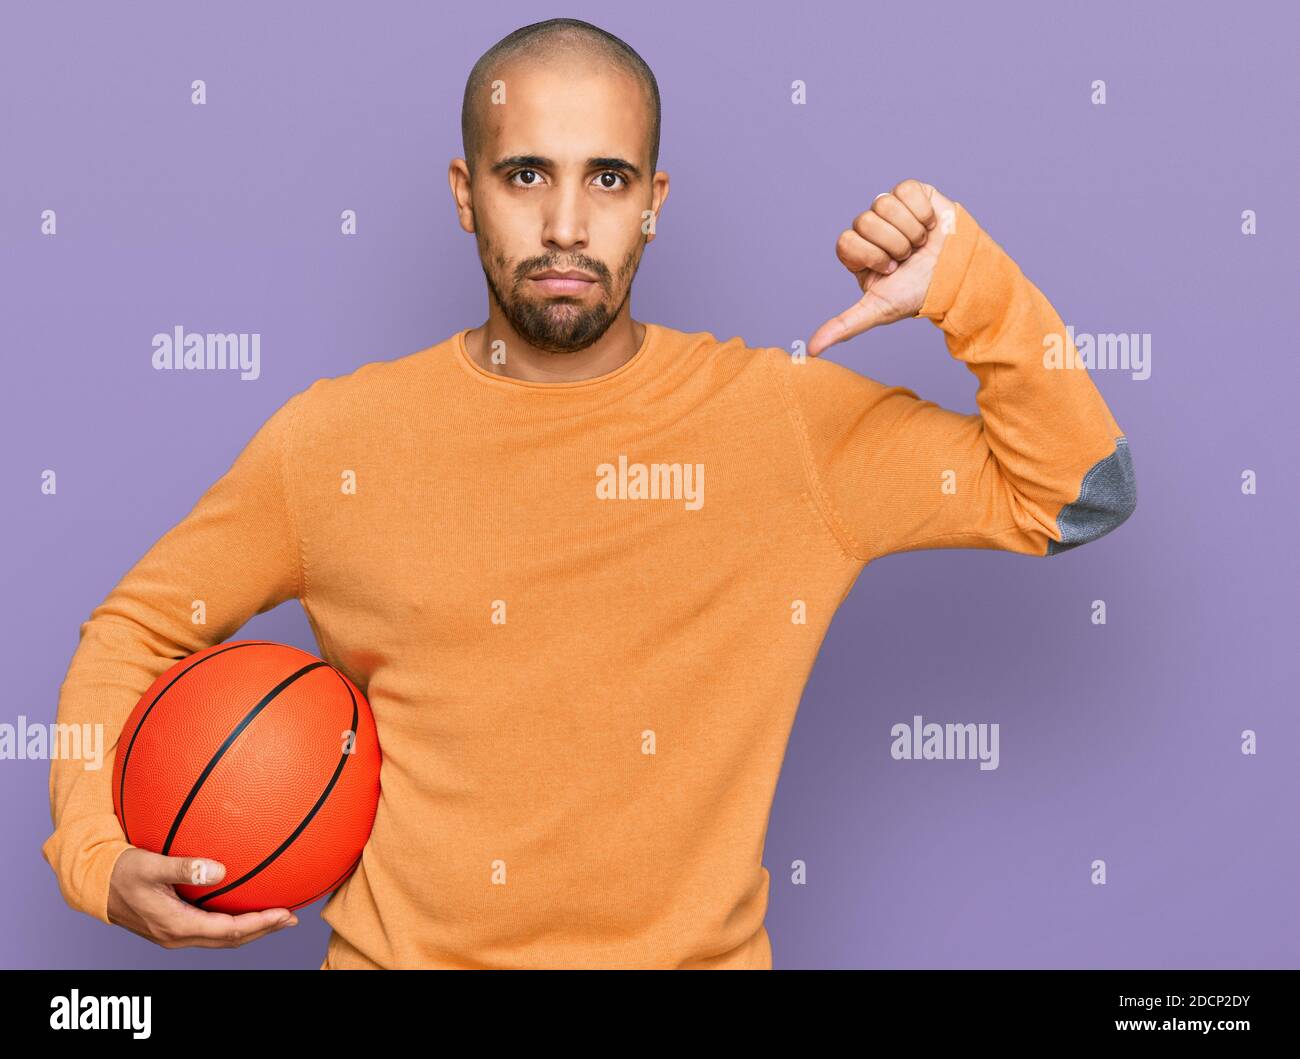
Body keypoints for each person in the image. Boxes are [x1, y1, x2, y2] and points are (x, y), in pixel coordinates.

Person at [43, 17, 1136, 969]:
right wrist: (94, 855)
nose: (566, 224)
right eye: (526, 175)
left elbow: (1076, 496)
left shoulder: (786, 427)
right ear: (466, 195)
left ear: (653, 203)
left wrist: (969, 287)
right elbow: (136, 628)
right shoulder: (333, 439)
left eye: (607, 178)